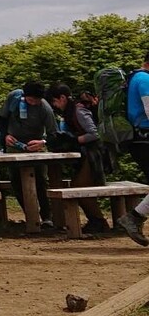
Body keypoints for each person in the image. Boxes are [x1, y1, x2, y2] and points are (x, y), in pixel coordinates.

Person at [46, 85, 108, 235]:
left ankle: (98, 221)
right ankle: (96, 220)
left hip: (95, 154)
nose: (54, 105)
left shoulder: (78, 110)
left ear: (62, 98)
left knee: (78, 187)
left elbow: (95, 134)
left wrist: (74, 140)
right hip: (88, 154)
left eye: (54, 101)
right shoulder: (70, 111)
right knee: (77, 185)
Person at [1, 79, 60, 228]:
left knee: (41, 181)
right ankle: (30, 214)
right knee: (16, 181)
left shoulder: (45, 108)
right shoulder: (14, 98)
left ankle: (47, 217)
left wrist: (42, 142)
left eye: (36, 100)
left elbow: (54, 133)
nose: (33, 103)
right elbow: (1, 119)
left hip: (37, 146)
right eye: (30, 100)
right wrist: (5, 136)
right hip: (14, 145)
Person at [117, 50, 149, 246]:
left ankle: (134, 217)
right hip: (144, 139)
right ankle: (134, 217)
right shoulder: (144, 79)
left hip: (139, 140)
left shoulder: (134, 77)